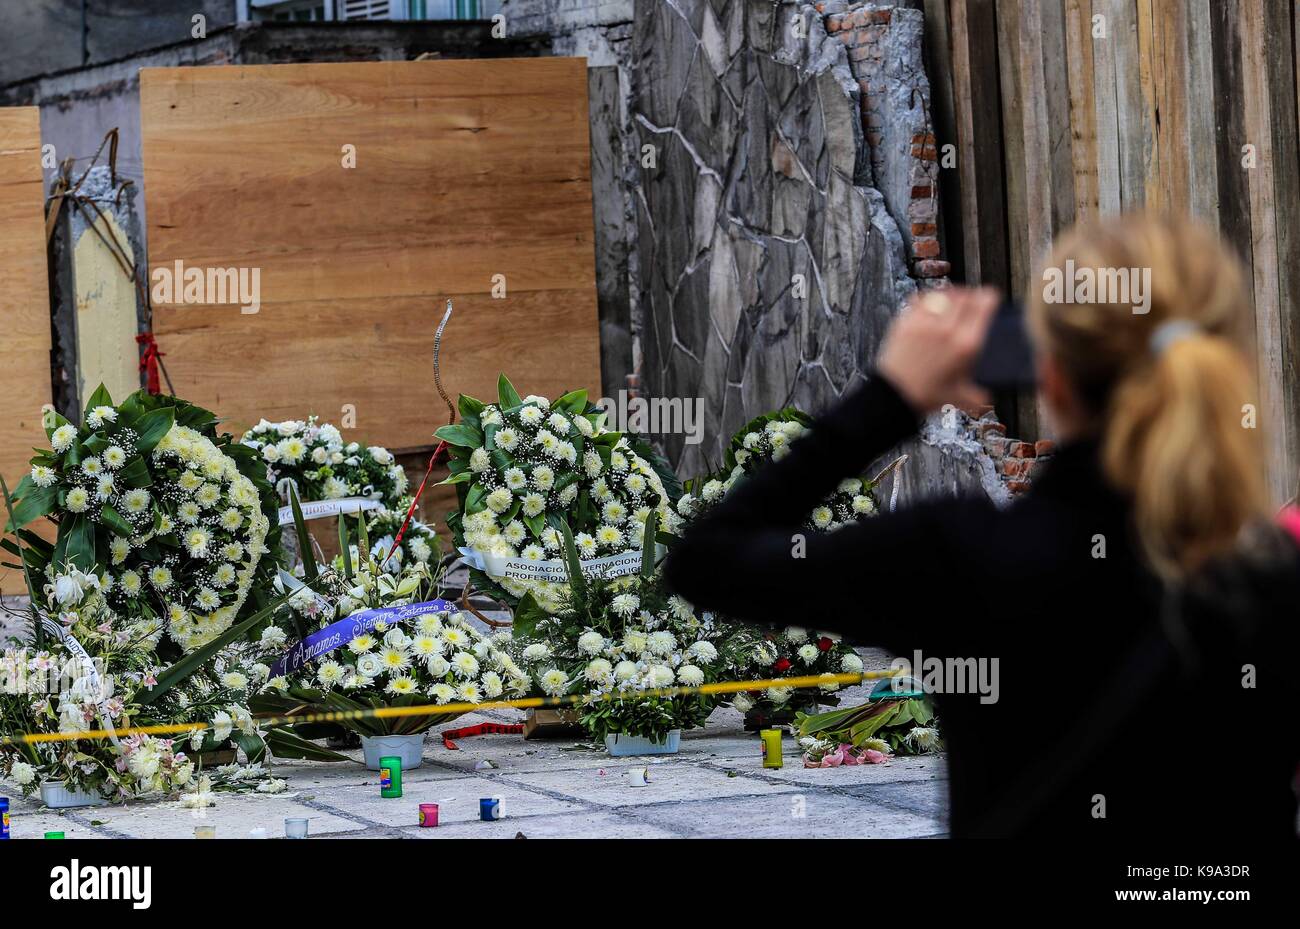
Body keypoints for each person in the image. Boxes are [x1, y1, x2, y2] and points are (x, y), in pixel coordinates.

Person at [664, 216, 1300, 838]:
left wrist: (891, 399)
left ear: (1048, 372)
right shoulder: (1274, 578)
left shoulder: (959, 556)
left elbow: (706, 559)